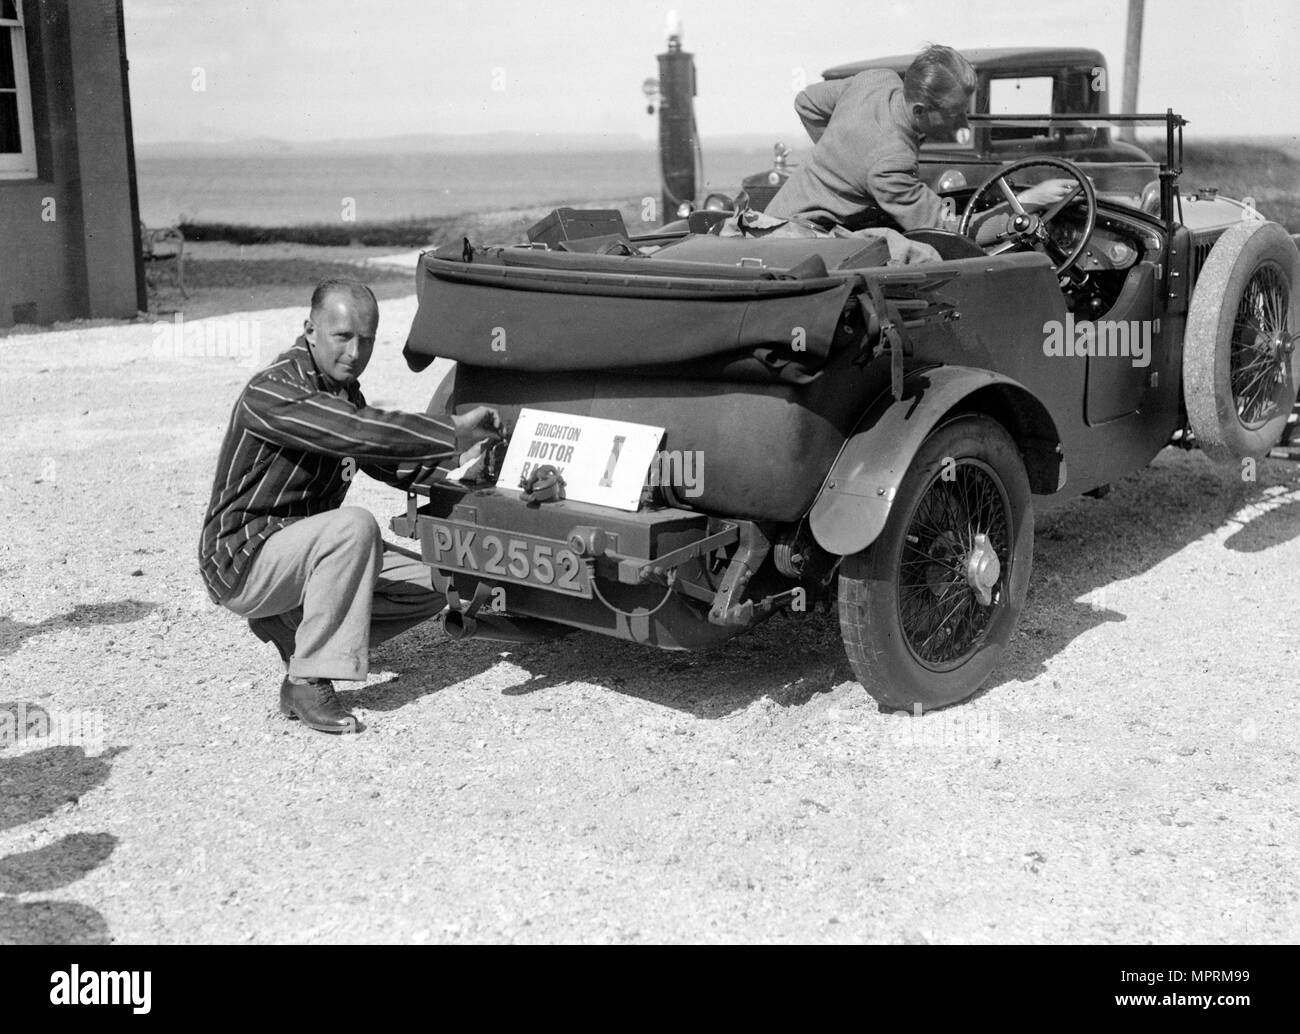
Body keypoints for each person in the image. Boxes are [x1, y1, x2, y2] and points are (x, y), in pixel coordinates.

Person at [198, 278, 501, 734]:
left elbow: (382, 458)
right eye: (343, 337)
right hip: (243, 559)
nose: (355, 352)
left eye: (367, 340)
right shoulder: (275, 391)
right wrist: (452, 429)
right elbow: (358, 433)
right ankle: (308, 679)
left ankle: (297, 637)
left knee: (442, 582)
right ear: (310, 330)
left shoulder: (343, 394)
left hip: (298, 556)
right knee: (355, 526)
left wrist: (470, 476)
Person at [767, 44, 1073, 235]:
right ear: (920, 111)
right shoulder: (891, 161)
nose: (963, 124)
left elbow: (806, 101)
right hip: (798, 241)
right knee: (925, 258)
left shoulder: (876, 80)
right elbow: (954, 232)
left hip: (776, 220)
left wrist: (836, 156)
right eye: (954, 114)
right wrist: (1031, 200)